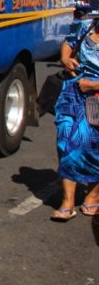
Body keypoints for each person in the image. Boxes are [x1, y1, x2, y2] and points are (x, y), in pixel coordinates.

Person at [51, 18, 99, 221]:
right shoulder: (86, 26)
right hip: (73, 94)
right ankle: (67, 201)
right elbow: (69, 42)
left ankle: (93, 196)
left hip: (96, 97)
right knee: (65, 143)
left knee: (93, 147)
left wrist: (93, 86)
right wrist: (65, 58)